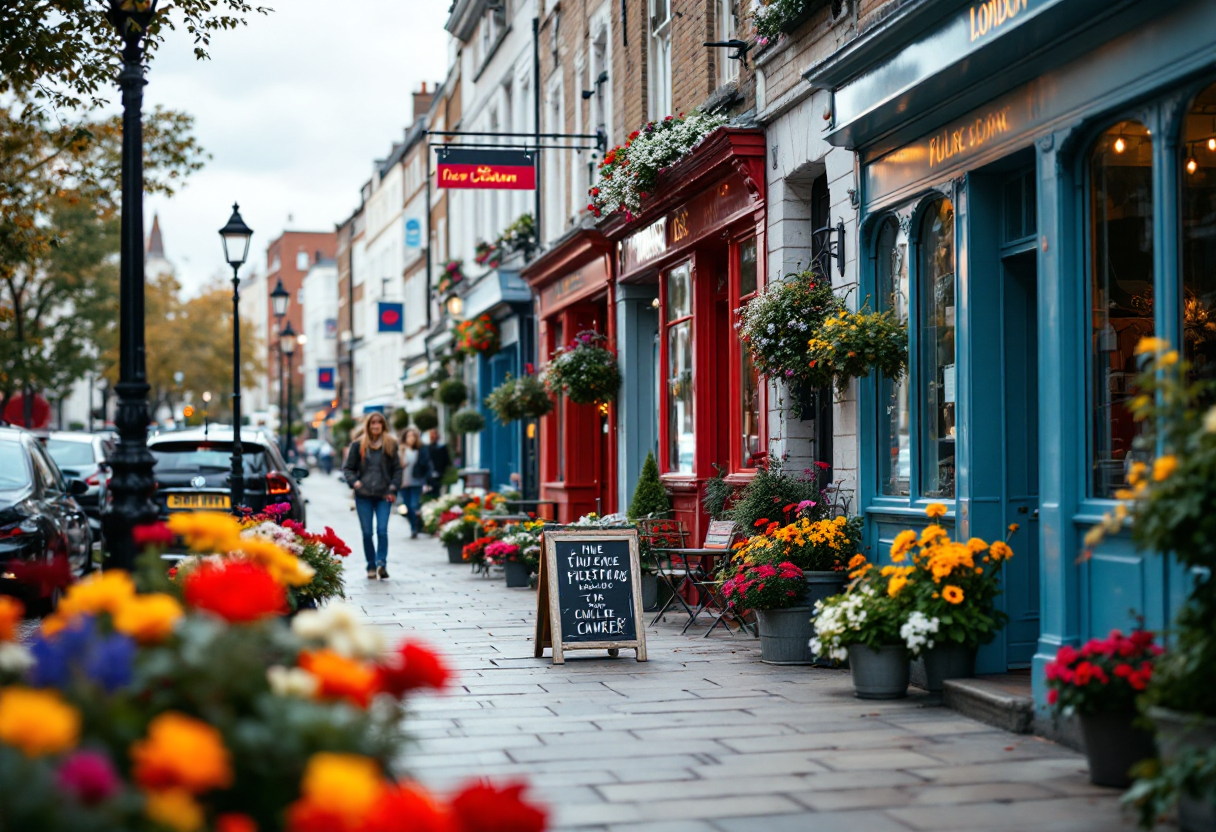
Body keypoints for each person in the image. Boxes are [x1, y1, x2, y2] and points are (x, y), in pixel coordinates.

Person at [342, 412, 402, 580]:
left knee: (382, 530)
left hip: (384, 495)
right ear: (368, 426)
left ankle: (381, 563)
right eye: (373, 423)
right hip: (364, 495)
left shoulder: (390, 444)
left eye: (379, 422)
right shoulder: (358, 445)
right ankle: (371, 565)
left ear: (383, 425)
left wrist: (392, 488)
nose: (376, 425)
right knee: (367, 533)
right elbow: (348, 468)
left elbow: (397, 469)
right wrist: (355, 483)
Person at [398, 427, 424, 539]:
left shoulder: (420, 450)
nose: (411, 438)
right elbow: (399, 466)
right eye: (409, 436)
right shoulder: (401, 450)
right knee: (407, 508)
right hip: (404, 483)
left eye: (413, 436)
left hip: (416, 482)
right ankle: (413, 527)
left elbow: (424, 464)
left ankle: (415, 528)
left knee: (414, 505)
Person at [416, 428, 451, 499]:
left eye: (435, 434)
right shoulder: (425, 448)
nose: (434, 436)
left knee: (437, 493)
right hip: (427, 476)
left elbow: (446, 461)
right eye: (432, 435)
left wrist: (442, 471)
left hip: (439, 474)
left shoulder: (442, 447)